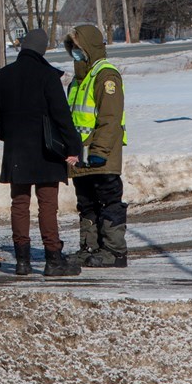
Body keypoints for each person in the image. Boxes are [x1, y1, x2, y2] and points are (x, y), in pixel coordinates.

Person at [0, 28, 83, 277]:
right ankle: (52, 260)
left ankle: (22, 262)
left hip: (17, 151)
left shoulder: (3, 76)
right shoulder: (47, 75)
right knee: (47, 205)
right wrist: (73, 146)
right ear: (42, 49)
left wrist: (8, 133)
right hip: (47, 151)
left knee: (19, 204)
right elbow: (62, 116)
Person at [64, 25, 129, 268]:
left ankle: (114, 251)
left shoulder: (105, 75)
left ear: (89, 48)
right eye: (73, 49)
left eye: (78, 49)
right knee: (87, 203)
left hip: (102, 156)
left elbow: (110, 118)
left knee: (108, 201)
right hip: (81, 155)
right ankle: (90, 247)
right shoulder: (79, 80)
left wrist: (99, 152)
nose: (75, 54)